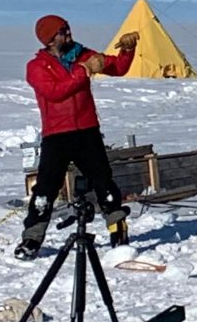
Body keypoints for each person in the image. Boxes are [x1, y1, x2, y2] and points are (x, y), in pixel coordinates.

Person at [19, 16, 140, 259]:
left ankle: (118, 229)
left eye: (68, 29)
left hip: (87, 130)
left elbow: (117, 67)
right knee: (45, 189)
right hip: (57, 135)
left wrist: (128, 50)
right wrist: (83, 72)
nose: (69, 34)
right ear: (50, 39)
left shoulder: (82, 54)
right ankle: (32, 238)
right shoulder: (37, 67)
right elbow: (54, 92)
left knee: (103, 182)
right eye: (63, 31)